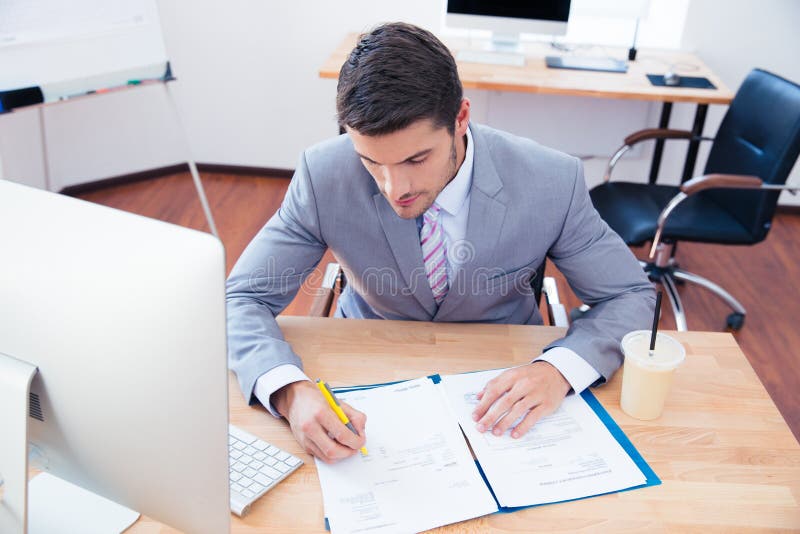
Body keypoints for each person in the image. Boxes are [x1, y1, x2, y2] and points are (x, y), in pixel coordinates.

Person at [226, 22, 655, 464]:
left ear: (461, 118)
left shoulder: (550, 180)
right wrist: (289, 392)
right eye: (372, 162)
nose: (396, 187)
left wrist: (558, 370)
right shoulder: (323, 175)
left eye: (416, 158)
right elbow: (241, 296)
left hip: (503, 380)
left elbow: (629, 294)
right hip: (366, 369)